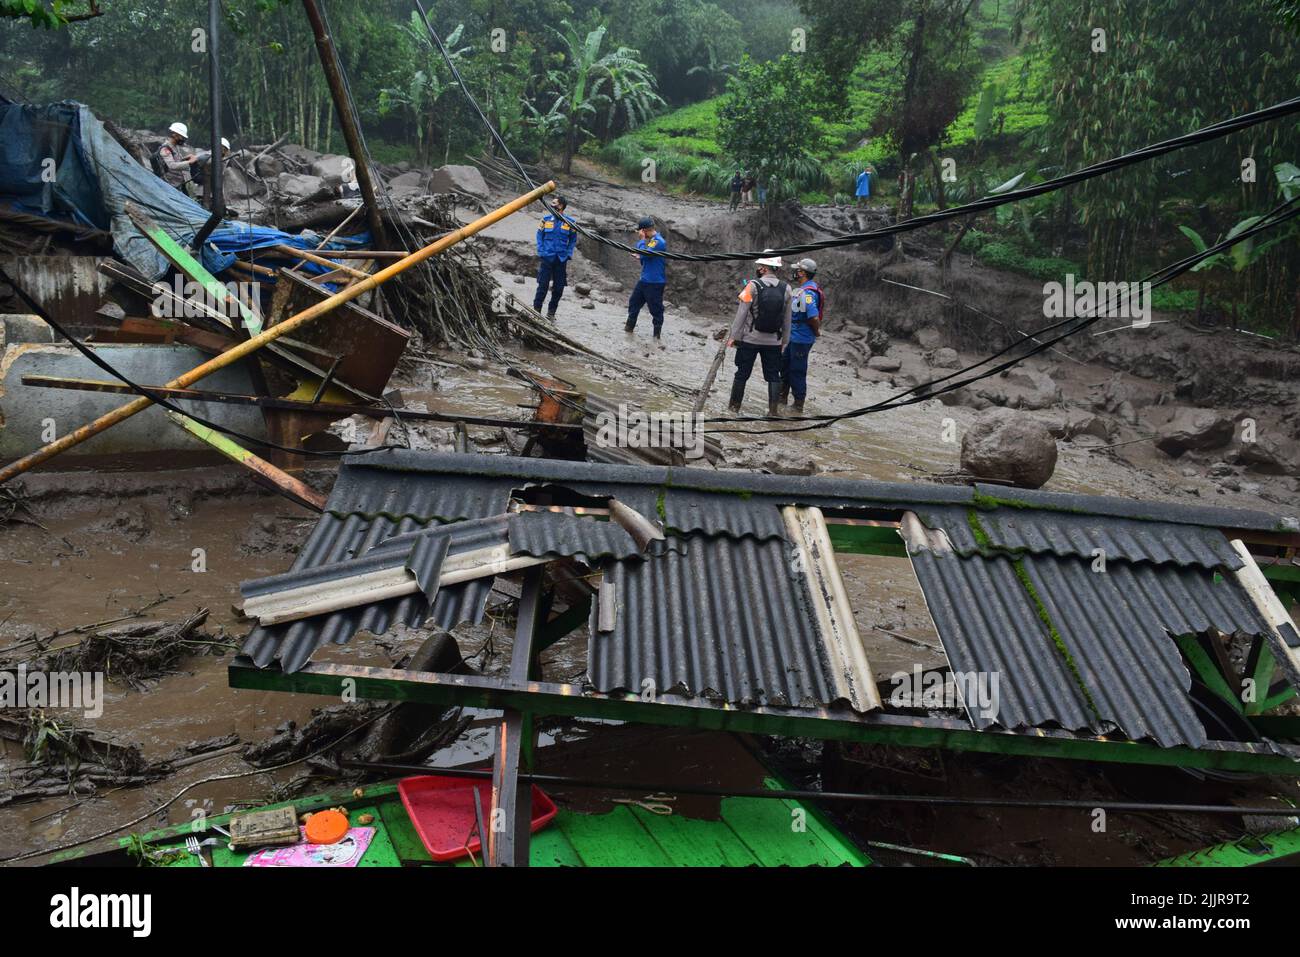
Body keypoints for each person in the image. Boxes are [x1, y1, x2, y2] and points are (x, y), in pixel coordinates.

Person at [727, 251, 792, 416]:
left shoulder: (752, 285)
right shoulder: (787, 289)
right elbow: (787, 319)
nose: (758, 268)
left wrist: (734, 337)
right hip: (774, 342)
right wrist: (784, 341)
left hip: (750, 339)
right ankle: (773, 412)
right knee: (773, 376)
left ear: (764, 268)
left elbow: (741, 314)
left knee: (742, 373)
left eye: (759, 266)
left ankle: (734, 408)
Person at [780, 258, 824, 415]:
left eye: (797, 270)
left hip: (801, 338)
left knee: (797, 370)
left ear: (803, 273)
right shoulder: (802, 290)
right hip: (793, 336)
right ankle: (781, 398)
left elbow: (813, 317)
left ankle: (798, 405)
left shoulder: (808, 293)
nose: (795, 272)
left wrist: (817, 332)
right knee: (784, 367)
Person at [533, 195, 578, 318]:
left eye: (554, 203)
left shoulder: (571, 223)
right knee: (542, 286)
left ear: (561, 206)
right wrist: (542, 252)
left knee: (558, 288)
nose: (551, 204)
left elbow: (573, 240)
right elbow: (539, 236)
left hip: (561, 259)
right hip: (547, 258)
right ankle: (536, 311)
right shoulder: (545, 220)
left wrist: (568, 254)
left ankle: (551, 313)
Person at [626, 216, 668, 338]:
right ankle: (628, 329)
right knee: (633, 303)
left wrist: (641, 241)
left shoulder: (658, 241)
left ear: (644, 230)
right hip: (644, 280)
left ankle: (656, 337)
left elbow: (645, 254)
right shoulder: (651, 241)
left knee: (656, 310)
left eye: (640, 231)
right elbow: (644, 255)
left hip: (654, 282)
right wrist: (641, 252)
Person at [154, 122, 200, 196]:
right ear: (174, 134)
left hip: (175, 185)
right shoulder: (166, 149)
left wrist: (186, 159)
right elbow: (172, 165)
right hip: (168, 185)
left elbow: (177, 161)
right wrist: (189, 162)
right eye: (181, 137)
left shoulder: (175, 147)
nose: (182, 139)